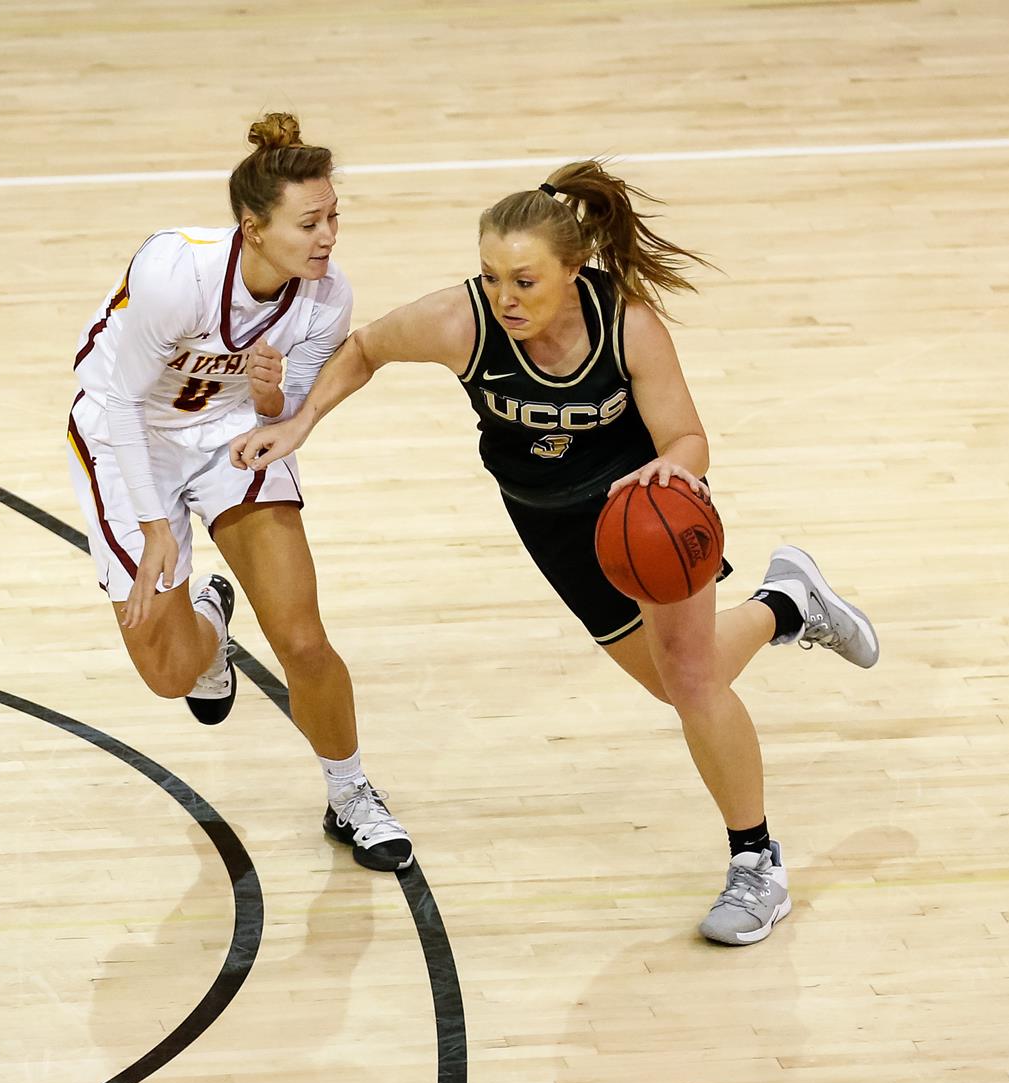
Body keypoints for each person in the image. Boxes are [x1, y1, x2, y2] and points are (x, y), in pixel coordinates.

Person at [230, 160, 878, 942]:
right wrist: (300, 423)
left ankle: (757, 864)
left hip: (647, 520)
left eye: (526, 281)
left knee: (695, 682)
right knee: (673, 681)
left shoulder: (627, 324)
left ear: (573, 271)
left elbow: (688, 435)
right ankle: (787, 604)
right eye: (493, 276)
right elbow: (365, 348)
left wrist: (676, 467)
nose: (506, 297)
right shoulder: (462, 323)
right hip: (554, 529)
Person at [65, 112, 412, 872]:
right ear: (253, 228)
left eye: (332, 218)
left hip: (226, 433)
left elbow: (283, 425)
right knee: (168, 675)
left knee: (301, 635)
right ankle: (207, 627)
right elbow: (121, 401)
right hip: (131, 434)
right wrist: (156, 525)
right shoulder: (175, 272)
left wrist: (270, 400)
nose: (327, 238)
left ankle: (350, 793)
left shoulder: (325, 300)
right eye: (309, 222)